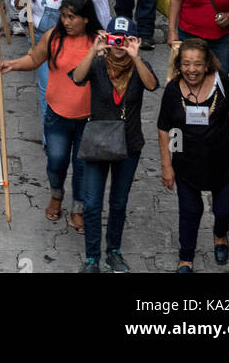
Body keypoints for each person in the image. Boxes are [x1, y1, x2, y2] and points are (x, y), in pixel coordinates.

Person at [0, 0, 100, 231]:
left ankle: (78, 209)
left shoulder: (97, 41)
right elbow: (34, 59)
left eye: (72, 17)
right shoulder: (53, 36)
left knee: (82, 167)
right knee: (56, 162)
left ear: (86, 19)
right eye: (64, 16)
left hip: (88, 119)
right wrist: (11, 65)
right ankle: (56, 194)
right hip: (57, 116)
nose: (66, 22)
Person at [72, 18, 159, 274]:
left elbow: (152, 85)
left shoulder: (139, 65)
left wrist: (137, 57)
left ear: (134, 40)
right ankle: (91, 258)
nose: (119, 44)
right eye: (115, 38)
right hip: (97, 142)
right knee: (92, 203)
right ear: (108, 38)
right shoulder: (98, 63)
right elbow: (77, 78)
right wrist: (94, 49)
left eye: (125, 39)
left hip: (129, 143)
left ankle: (114, 252)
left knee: (119, 203)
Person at [157, 37, 229, 273]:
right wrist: (167, 165)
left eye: (197, 64)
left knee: (225, 208)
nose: (192, 70)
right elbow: (164, 129)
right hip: (186, 163)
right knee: (190, 211)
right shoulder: (172, 90)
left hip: (221, 160)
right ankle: (186, 258)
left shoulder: (221, 82)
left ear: (207, 64)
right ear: (179, 65)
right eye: (187, 64)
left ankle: (220, 235)